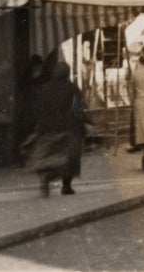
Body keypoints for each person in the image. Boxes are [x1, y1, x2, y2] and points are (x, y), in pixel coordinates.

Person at [24, 61, 88, 197]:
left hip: (47, 129)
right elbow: (78, 109)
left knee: (49, 156)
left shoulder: (45, 88)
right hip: (68, 128)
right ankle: (66, 185)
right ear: (67, 73)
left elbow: (37, 108)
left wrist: (37, 127)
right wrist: (87, 122)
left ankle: (46, 177)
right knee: (70, 158)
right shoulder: (72, 88)